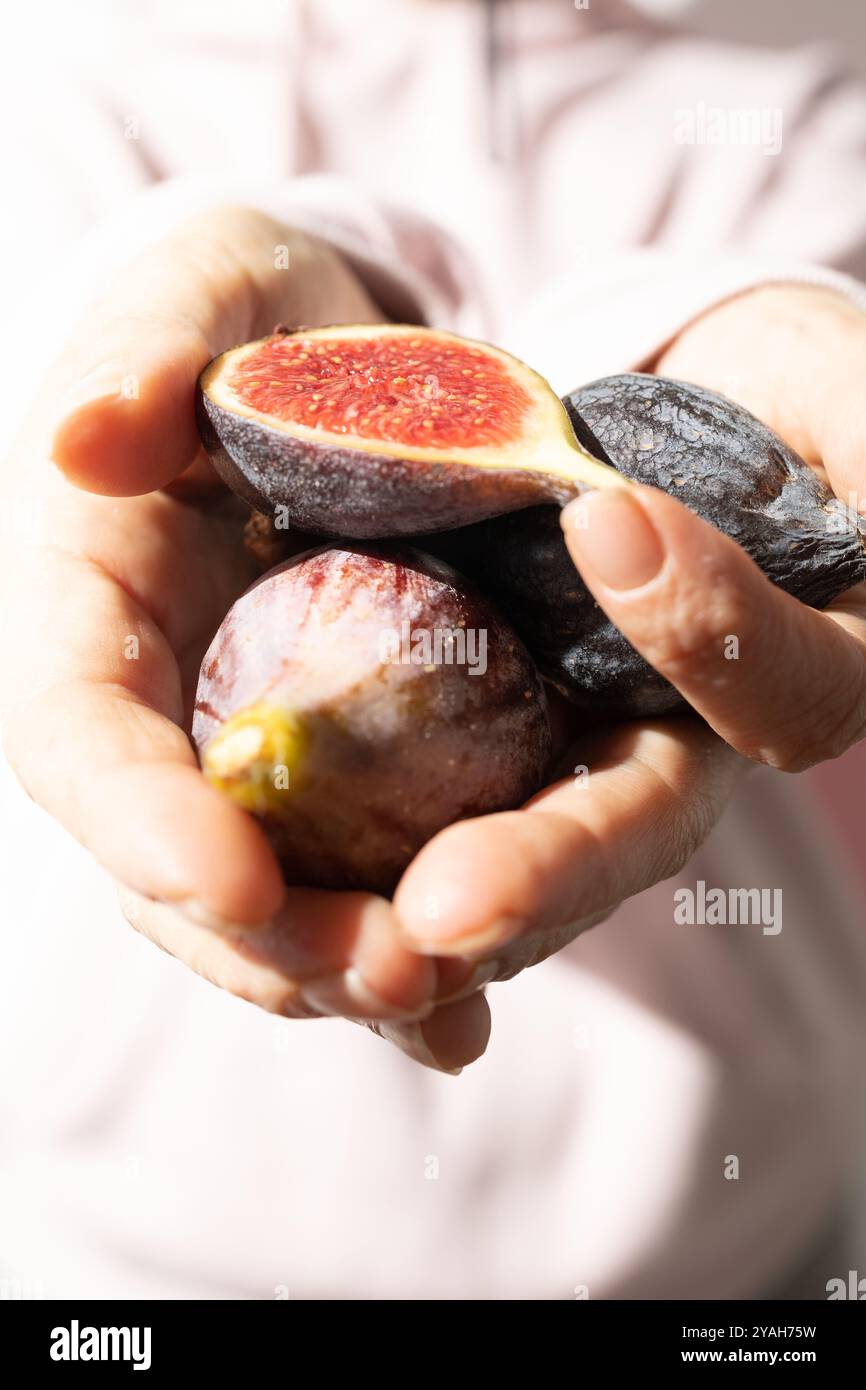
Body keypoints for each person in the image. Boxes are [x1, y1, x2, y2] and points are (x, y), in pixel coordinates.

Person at [1, 0, 865, 1299]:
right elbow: (51, 402)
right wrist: (199, 282)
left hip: (727, 1239)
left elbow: (675, 439)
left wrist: (756, 322)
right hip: (126, 1252)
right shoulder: (63, 60)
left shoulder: (804, 70)